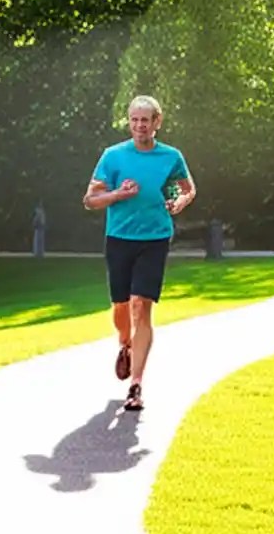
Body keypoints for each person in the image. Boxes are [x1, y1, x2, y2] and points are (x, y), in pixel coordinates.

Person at [82, 95, 196, 412]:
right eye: (134, 120)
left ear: (157, 122)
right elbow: (90, 200)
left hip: (155, 238)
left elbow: (188, 188)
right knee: (121, 307)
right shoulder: (113, 156)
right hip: (119, 238)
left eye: (145, 120)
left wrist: (180, 202)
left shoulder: (171, 156)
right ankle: (124, 343)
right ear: (128, 121)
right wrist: (119, 194)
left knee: (141, 306)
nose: (139, 126)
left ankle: (136, 386)